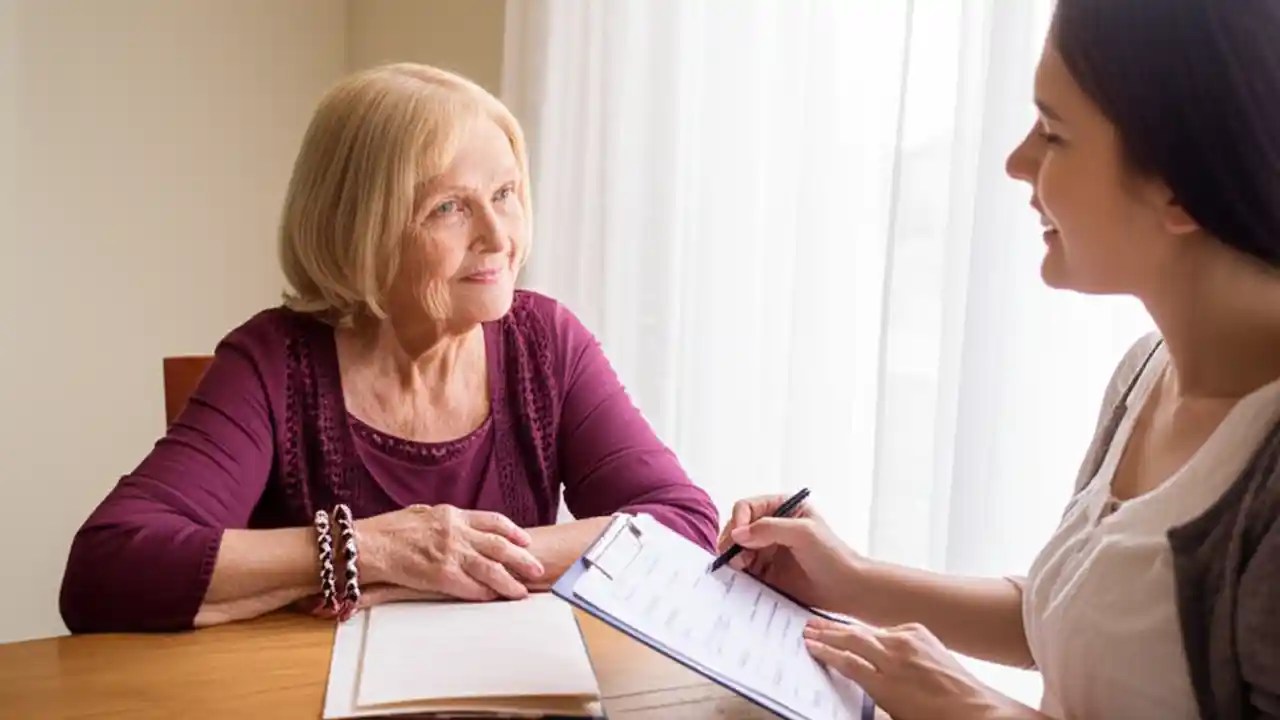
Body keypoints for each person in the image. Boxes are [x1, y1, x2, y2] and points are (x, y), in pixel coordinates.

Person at [720, 1, 1280, 719]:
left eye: (1053, 133)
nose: (1018, 163)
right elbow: (1073, 617)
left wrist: (982, 711)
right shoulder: (1148, 374)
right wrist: (850, 580)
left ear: (1180, 179)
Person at [59, 63, 718, 634]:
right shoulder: (273, 364)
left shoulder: (546, 341)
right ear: (361, 228)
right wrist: (365, 550)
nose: (498, 235)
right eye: (448, 208)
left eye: (505, 194)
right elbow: (106, 570)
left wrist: (449, 559)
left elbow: (683, 527)